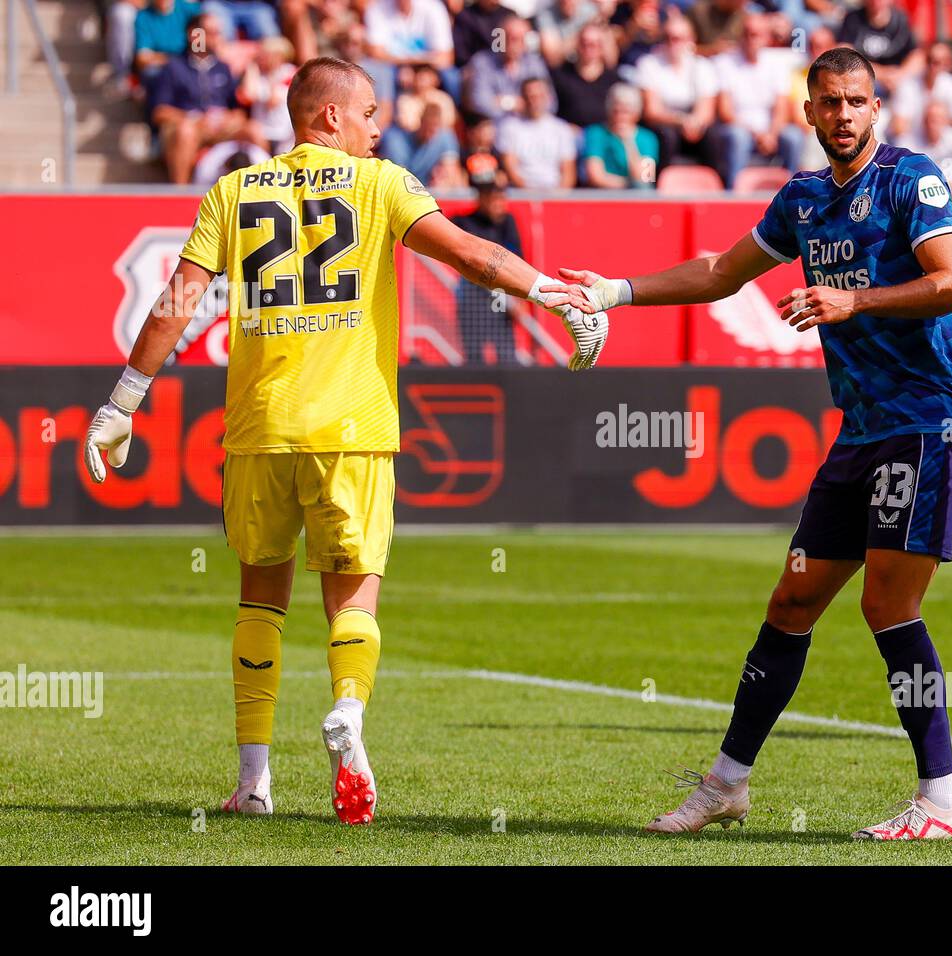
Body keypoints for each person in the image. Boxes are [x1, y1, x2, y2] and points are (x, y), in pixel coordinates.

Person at [82, 56, 606, 825]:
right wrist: (554, 293)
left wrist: (120, 403)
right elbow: (471, 254)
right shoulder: (383, 183)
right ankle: (349, 714)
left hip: (260, 430)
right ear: (327, 116)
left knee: (260, 598)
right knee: (353, 593)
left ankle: (254, 781)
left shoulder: (233, 191)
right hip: (353, 429)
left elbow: (175, 304)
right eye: (366, 110)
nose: (377, 124)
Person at [563, 47, 952, 839]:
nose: (846, 115)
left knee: (887, 603)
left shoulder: (911, 177)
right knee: (791, 601)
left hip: (931, 422)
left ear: (877, 106)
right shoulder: (802, 200)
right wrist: (614, 292)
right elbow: (722, 271)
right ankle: (727, 783)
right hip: (862, 433)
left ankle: (942, 802)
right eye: (831, 102)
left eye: (859, 100)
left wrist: (851, 299)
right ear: (810, 112)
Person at [151, 14, 265, 184]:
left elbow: (237, 109)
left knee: (254, 130)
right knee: (186, 131)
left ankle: (267, 194)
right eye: (211, 33)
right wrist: (194, 118)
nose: (217, 38)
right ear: (195, 35)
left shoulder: (223, 68)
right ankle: (179, 194)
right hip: (189, 125)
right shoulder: (172, 67)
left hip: (221, 127)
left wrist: (231, 117)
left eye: (218, 33)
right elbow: (160, 113)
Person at [714, 11, 803, 187]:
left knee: (794, 136)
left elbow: (781, 107)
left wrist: (771, 134)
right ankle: (734, 192)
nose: (750, 39)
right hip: (741, 128)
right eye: (746, 33)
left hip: (770, 131)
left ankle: (793, 193)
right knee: (737, 137)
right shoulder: (725, 63)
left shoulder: (776, 64)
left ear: (766, 38)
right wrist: (758, 134)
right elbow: (725, 111)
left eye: (755, 34)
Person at [634, 15, 726, 178]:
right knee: (666, 136)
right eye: (667, 38)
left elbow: (707, 111)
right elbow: (651, 111)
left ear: (690, 39)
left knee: (713, 136)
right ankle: (656, 185)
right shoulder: (649, 64)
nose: (672, 43)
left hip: (692, 127)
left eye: (677, 38)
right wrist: (682, 121)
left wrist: (694, 123)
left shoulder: (702, 66)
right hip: (662, 126)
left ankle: (716, 187)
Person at [452, 179, 527, 363]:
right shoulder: (463, 222)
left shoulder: (508, 223)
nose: (500, 204)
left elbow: (516, 259)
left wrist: (517, 299)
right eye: (494, 199)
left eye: (502, 199)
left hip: (500, 295)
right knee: (474, 357)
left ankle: (509, 388)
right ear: (482, 199)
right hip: (472, 299)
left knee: (506, 353)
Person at [462, 14, 553, 121]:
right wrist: (516, 103)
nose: (513, 44)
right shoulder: (482, 62)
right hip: (495, 127)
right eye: (510, 38)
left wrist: (501, 101)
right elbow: (479, 102)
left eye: (519, 39)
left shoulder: (535, 64)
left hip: (531, 125)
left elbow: (551, 104)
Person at [499, 77, 578, 188]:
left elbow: (568, 172)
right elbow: (510, 167)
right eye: (530, 96)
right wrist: (531, 195)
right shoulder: (509, 127)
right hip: (522, 194)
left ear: (549, 97)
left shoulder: (562, 129)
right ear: (523, 98)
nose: (535, 101)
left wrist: (558, 196)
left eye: (539, 96)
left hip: (555, 193)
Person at [890, 42, 952, 141]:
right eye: (931, 61)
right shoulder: (908, 86)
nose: (935, 67)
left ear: (950, 64)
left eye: (943, 62)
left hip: (942, 143)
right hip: (915, 142)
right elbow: (898, 128)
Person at [583, 83, 658, 188]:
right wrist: (629, 186)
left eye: (626, 112)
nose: (620, 116)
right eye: (616, 111)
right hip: (605, 194)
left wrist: (628, 142)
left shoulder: (648, 138)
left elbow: (645, 178)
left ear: (636, 113)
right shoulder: (595, 133)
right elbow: (595, 176)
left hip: (637, 196)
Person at [899, 100, 952, 198]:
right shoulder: (907, 143)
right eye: (929, 119)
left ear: (946, 121)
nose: (932, 124)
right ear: (923, 121)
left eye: (937, 120)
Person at [551, 22, 618, 132]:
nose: (588, 48)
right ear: (577, 45)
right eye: (584, 43)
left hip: (602, 138)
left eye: (594, 44)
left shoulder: (613, 80)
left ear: (601, 47)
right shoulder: (561, 75)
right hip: (568, 135)